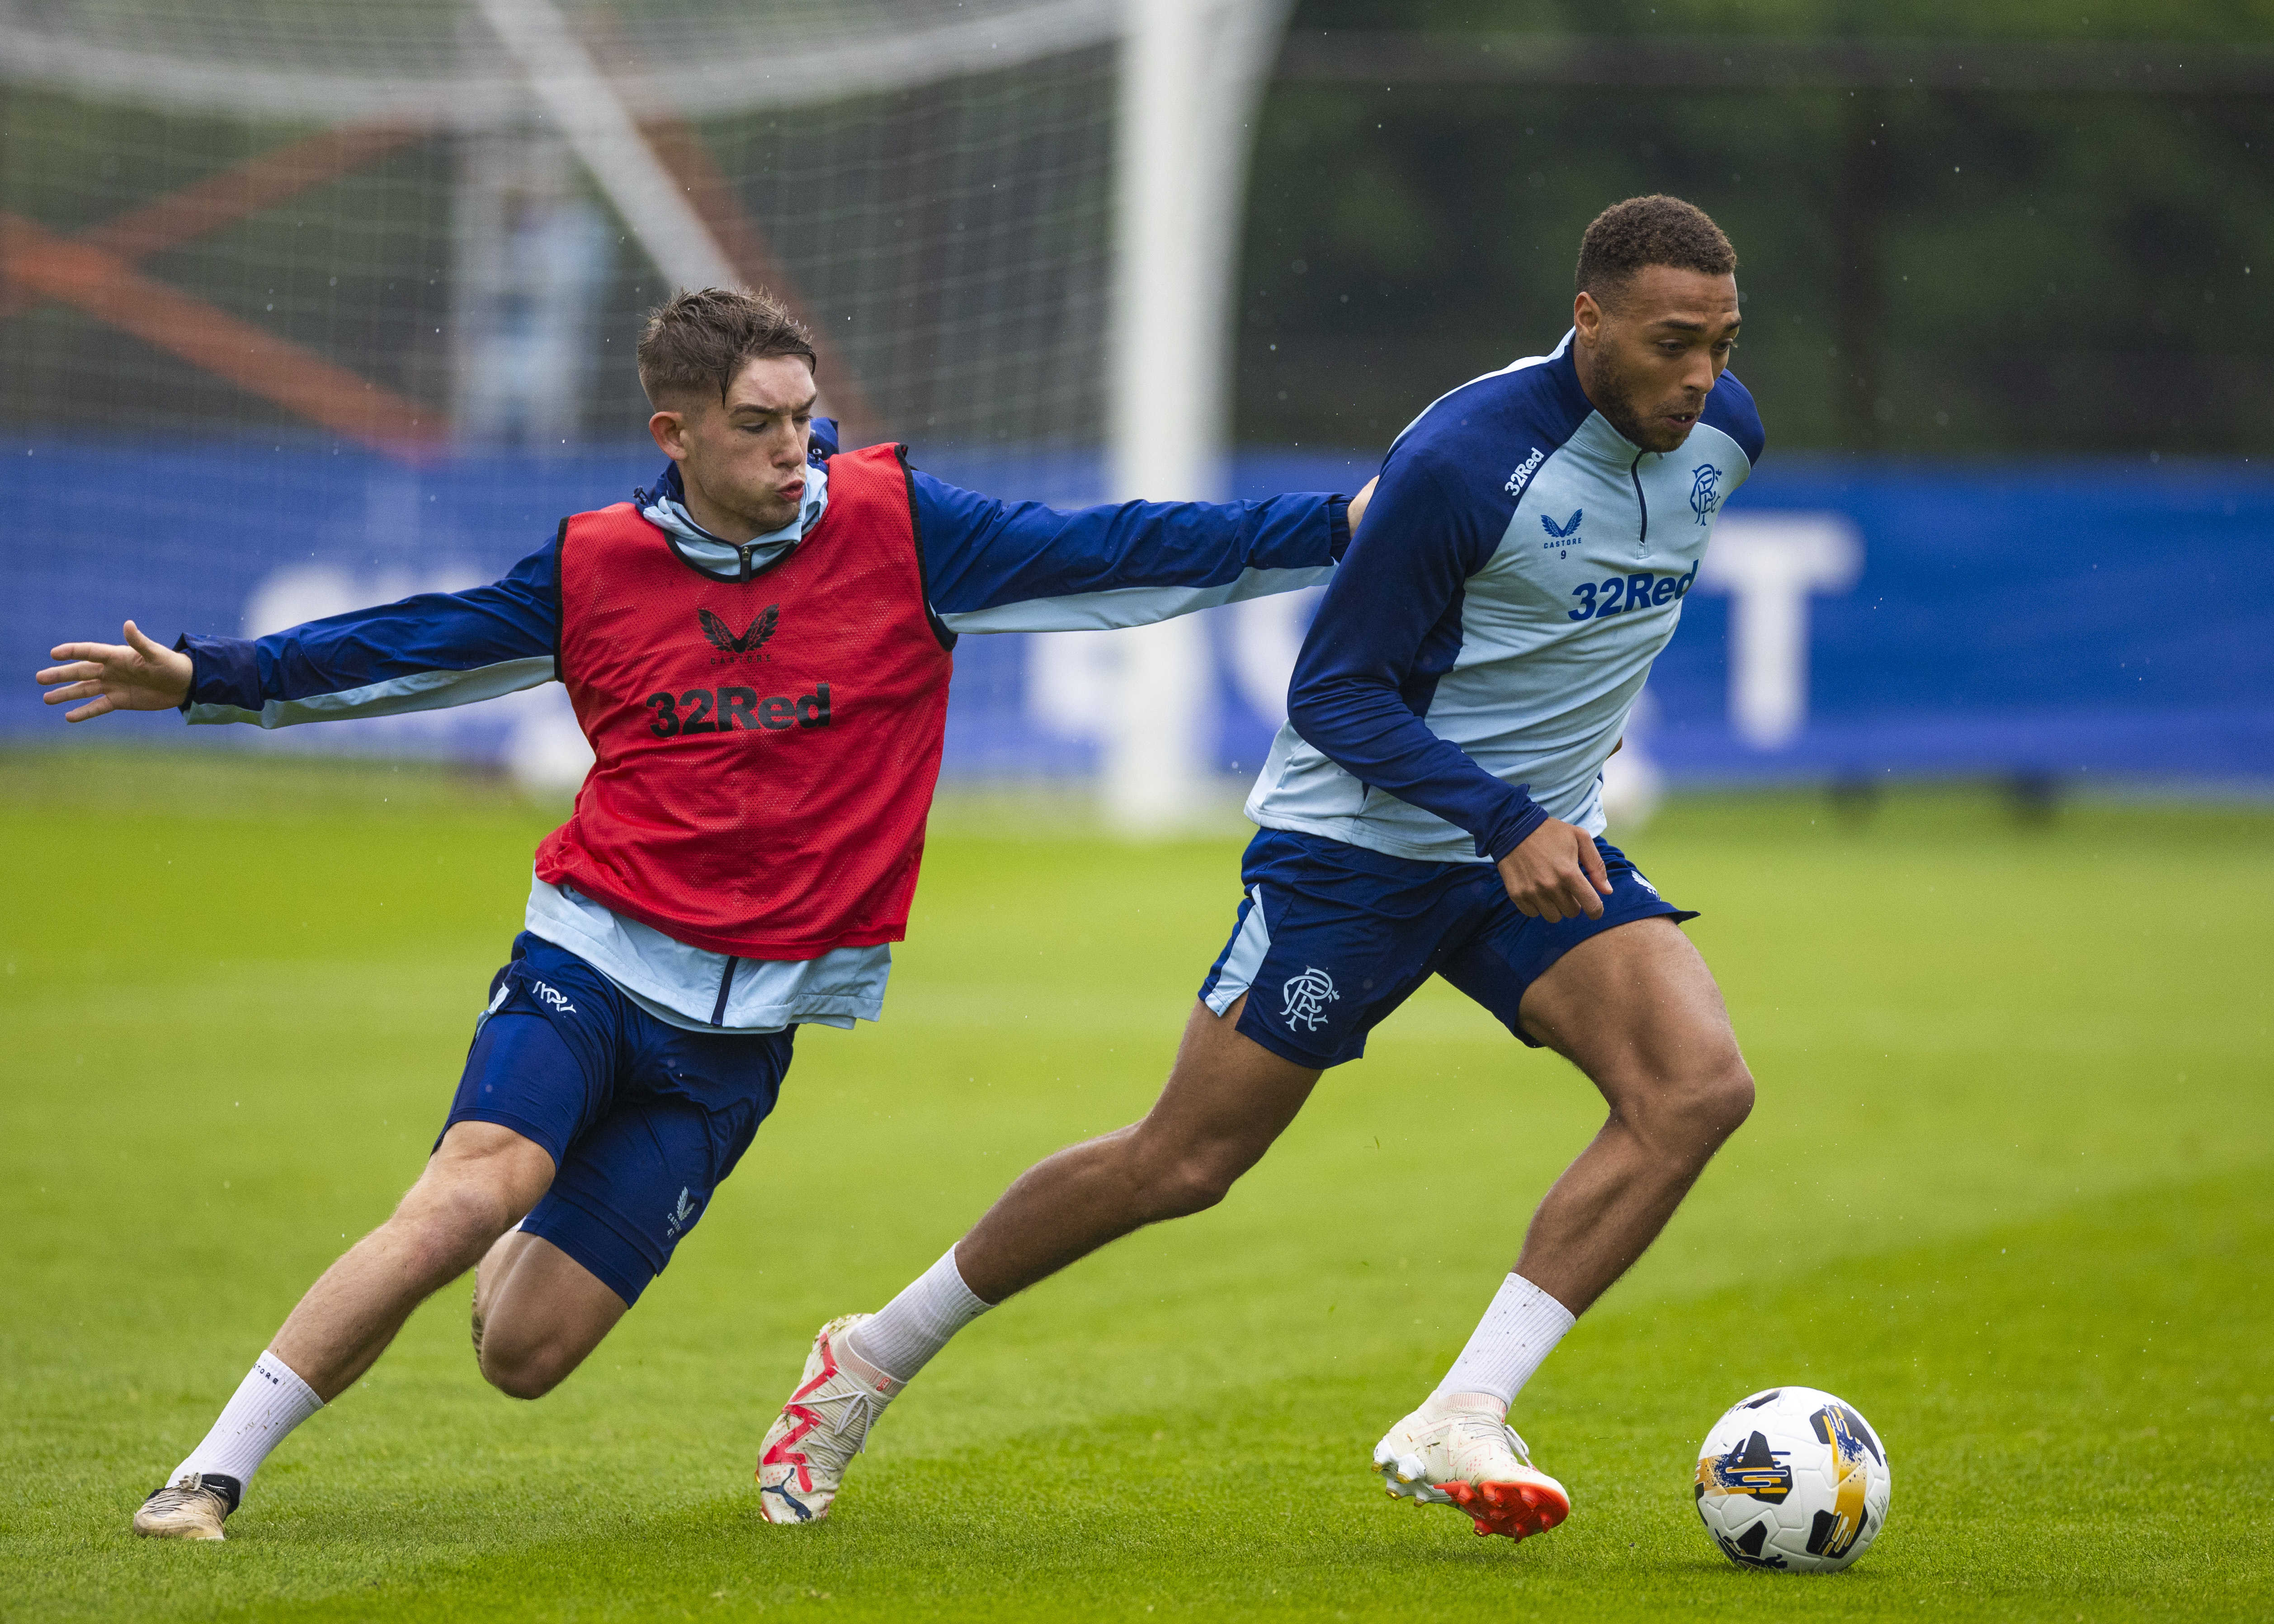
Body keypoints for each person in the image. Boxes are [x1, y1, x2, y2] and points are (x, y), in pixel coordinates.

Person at [36, 287, 1351, 1542]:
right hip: (589, 956)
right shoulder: (594, 564)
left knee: (524, 1355)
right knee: (465, 1195)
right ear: (674, 433)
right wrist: (211, 676)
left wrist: (1345, 524)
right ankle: (207, 1473)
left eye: (806, 418)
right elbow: (417, 644)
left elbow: (1124, 546)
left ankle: (532, 1211)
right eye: (760, 425)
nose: (798, 450)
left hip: (741, 1033)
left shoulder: (904, 527)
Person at [757, 195, 1763, 1541]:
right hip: (1354, 851)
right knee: (1182, 1161)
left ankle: (1462, 1411)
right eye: (1670, 342)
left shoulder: (1726, 438)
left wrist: (1533, 809)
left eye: (1722, 341)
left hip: (1526, 843)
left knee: (1695, 1087)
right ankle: (870, 1355)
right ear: (1588, 321)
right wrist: (1501, 813)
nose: (1699, 376)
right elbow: (1334, 692)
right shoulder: (1466, 462)